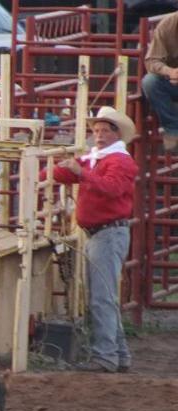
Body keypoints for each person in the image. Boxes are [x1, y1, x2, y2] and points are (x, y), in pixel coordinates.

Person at [52, 106, 137, 373]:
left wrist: (79, 171)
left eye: (104, 130)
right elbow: (64, 174)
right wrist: (59, 166)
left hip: (107, 233)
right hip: (103, 233)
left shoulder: (118, 161)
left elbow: (112, 188)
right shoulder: (99, 158)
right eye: (96, 130)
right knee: (104, 296)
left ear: (116, 134)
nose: (98, 135)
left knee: (102, 297)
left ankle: (106, 355)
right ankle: (117, 354)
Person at [143, 11, 178, 152]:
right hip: (173, 81)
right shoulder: (168, 24)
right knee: (150, 82)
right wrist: (170, 72)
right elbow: (152, 60)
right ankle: (173, 129)